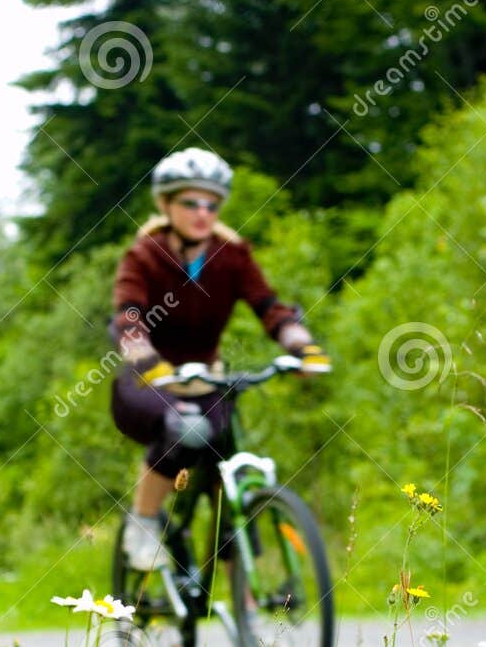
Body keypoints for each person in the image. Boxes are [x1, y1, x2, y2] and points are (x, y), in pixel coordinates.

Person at [109, 147, 328, 570]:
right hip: (147, 381)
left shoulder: (232, 255)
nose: (202, 213)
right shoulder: (145, 255)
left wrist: (302, 347)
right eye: (190, 202)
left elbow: (269, 307)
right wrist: (147, 360)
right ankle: (145, 520)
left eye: (211, 204)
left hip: (206, 378)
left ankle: (246, 602)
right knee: (185, 427)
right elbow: (128, 318)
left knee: (231, 468)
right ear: (166, 204)